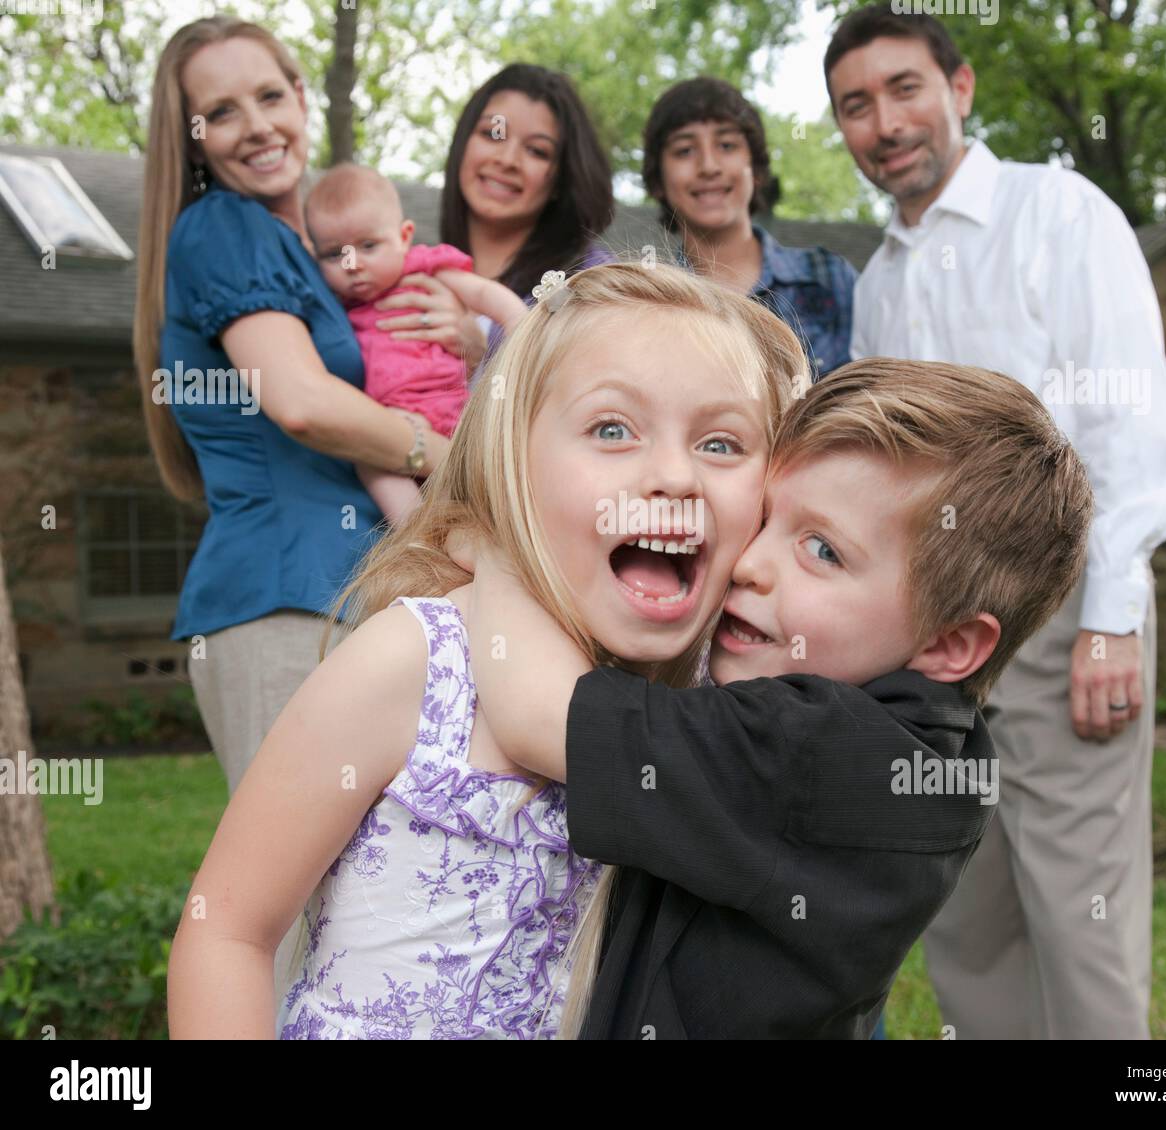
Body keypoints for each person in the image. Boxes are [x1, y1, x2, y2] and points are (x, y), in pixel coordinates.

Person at [164, 263, 807, 1039]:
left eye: (721, 442)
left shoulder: (719, 692)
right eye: (612, 429)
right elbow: (226, 929)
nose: (673, 475)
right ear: (515, 461)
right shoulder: (417, 662)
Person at [456, 358, 1094, 1039]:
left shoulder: (814, 746)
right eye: (764, 519)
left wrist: (494, 554)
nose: (751, 563)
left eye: (822, 551)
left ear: (951, 643)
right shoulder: (943, 748)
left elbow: (537, 717)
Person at [827, 4, 1166, 1038]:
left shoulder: (1060, 215)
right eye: (855, 106)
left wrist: (1112, 616)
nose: (884, 121)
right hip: (936, 631)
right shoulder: (877, 285)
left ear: (960, 88)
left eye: (903, 88)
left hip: (1064, 603)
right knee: (965, 909)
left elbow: (1131, 426)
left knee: (1079, 912)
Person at [133, 16, 450, 797]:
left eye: (270, 95)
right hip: (280, 606)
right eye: (223, 112)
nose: (258, 126)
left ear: (302, 97)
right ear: (194, 138)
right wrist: (451, 458)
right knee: (292, 908)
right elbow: (303, 404)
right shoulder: (223, 228)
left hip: (342, 596)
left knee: (352, 904)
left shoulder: (298, 249)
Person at [369, 64, 619, 381]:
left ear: (560, 178)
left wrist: (481, 356)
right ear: (462, 144)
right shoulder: (410, 270)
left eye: (537, 151)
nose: (507, 160)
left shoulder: (591, 284)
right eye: (492, 134)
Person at [643, 76, 857, 379]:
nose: (708, 166)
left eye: (727, 145)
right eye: (684, 151)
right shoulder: (649, 303)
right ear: (658, 181)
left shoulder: (829, 277)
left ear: (755, 169)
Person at [305, 162, 475, 524]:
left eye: (369, 245)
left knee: (474, 486)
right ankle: (416, 535)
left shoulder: (425, 270)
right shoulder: (334, 307)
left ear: (405, 236)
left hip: (453, 407)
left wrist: (494, 329)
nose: (352, 264)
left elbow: (494, 301)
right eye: (334, 254)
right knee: (371, 459)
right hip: (393, 419)